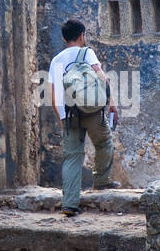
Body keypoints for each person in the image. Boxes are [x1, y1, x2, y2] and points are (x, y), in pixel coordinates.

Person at [48, 18, 120, 217]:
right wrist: (111, 104)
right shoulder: (87, 52)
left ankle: (69, 204)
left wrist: (61, 119)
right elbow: (102, 79)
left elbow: (54, 94)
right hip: (93, 111)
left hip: (69, 114)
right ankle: (102, 182)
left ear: (64, 38)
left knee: (72, 156)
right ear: (82, 36)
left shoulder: (56, 60)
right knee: (104, 142)